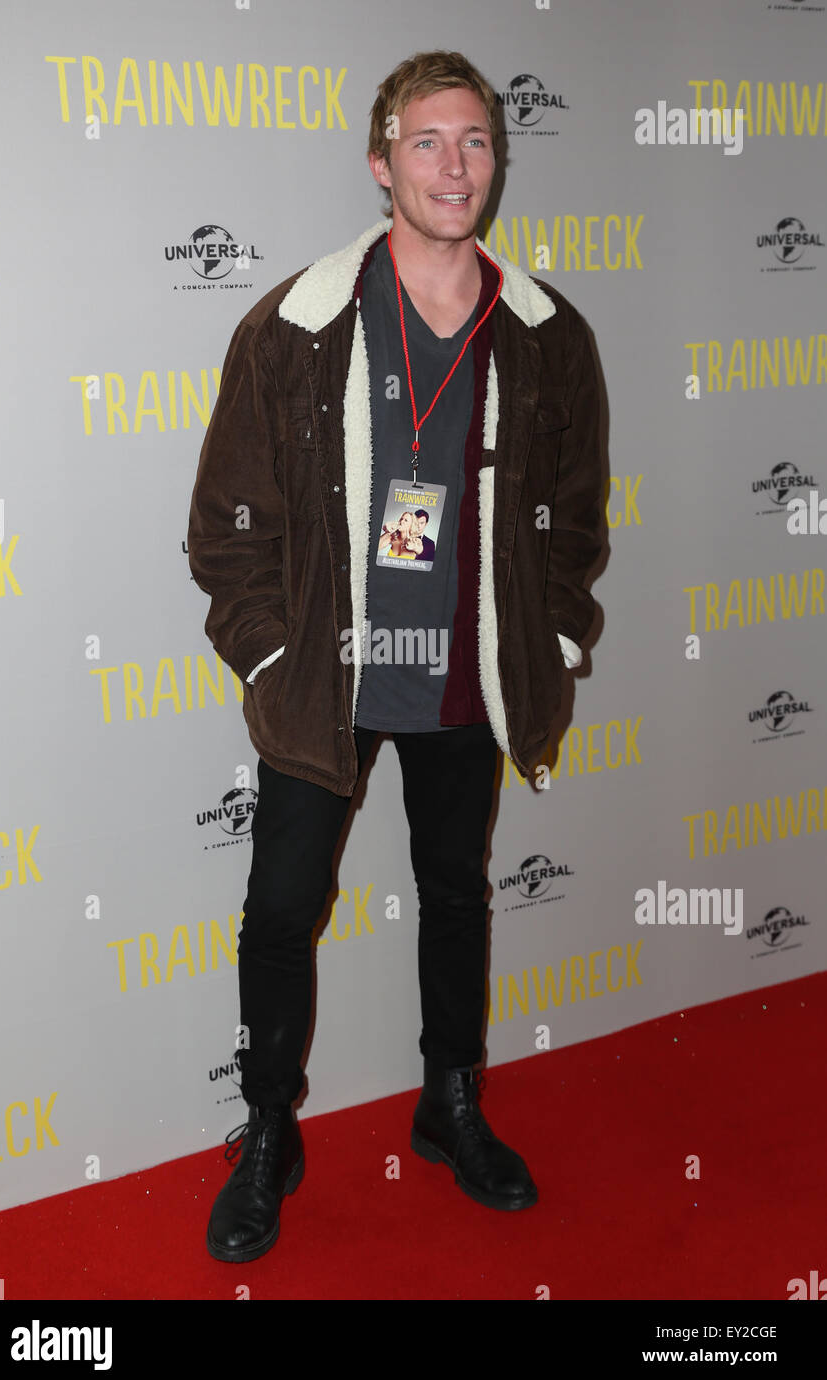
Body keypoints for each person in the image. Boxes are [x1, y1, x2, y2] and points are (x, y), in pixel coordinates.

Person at [187, 49, 605, 1264]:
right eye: (425, 141)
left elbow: (573, 512)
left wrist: (559, 634)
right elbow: (227, 524)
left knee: (457, 894)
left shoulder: (541, 333)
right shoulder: (293, 325)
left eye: (473, 141)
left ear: (497, 161)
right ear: (380, 163)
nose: (452, 164)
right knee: (278, 908)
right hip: (330, 674)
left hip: (464, 672)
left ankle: (449, 1103)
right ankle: (268, 1129)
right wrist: (269, 659)